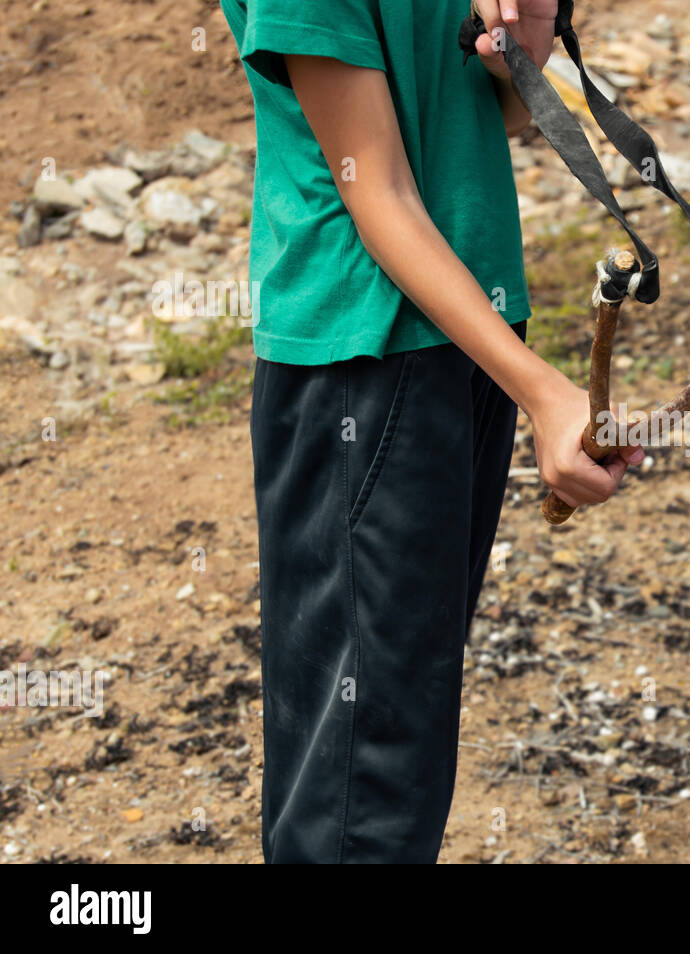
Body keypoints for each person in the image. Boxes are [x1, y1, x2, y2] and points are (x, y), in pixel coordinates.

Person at [220, 0, 642, 863]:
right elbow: (374, 185)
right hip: (363, 357)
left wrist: (522, 32)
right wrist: (545, 394)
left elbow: (504, 105)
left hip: (468, 335)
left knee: (397, 742)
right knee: (363, 783)